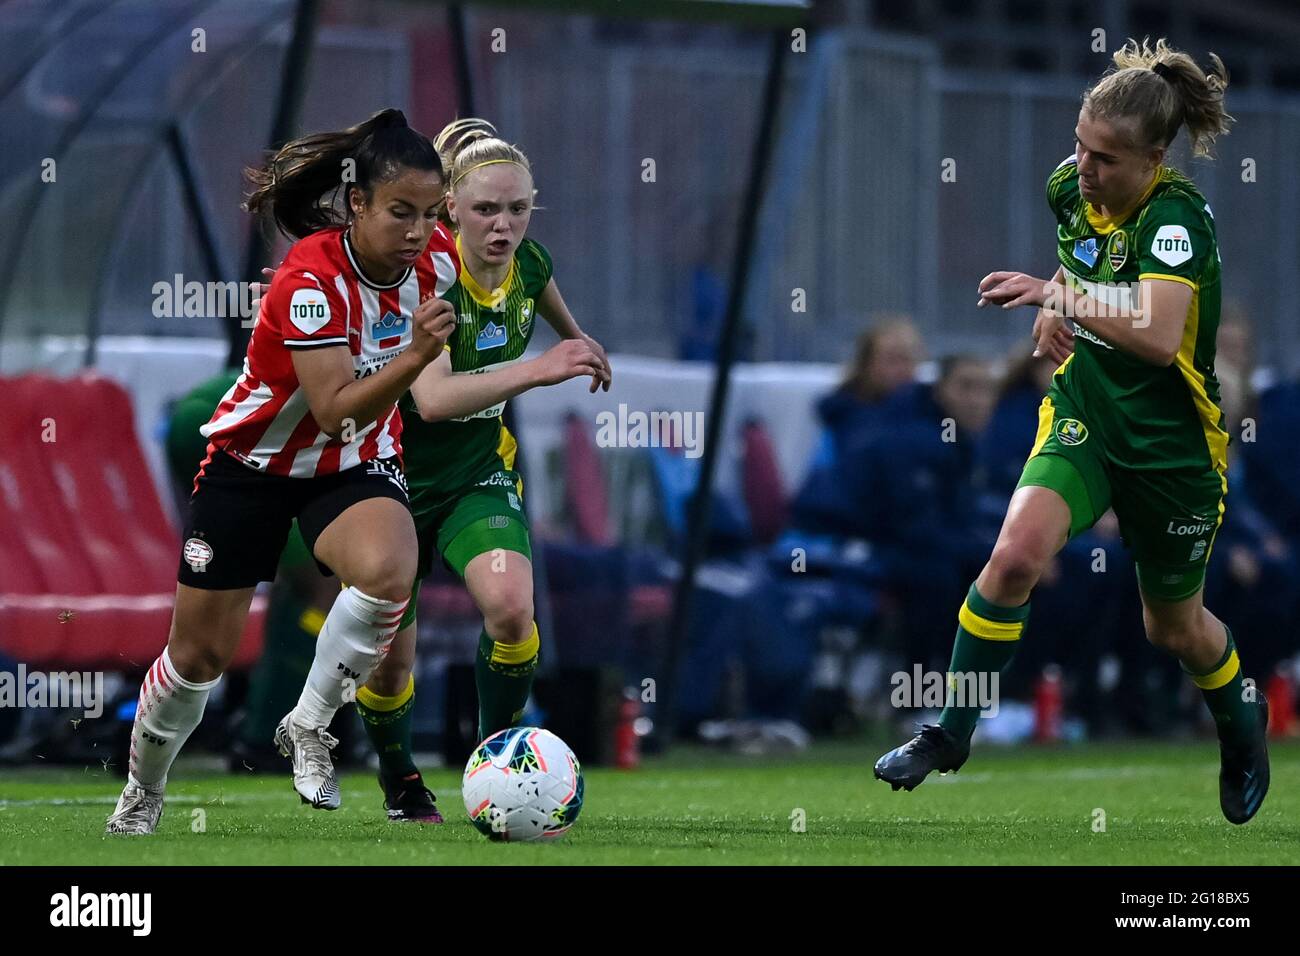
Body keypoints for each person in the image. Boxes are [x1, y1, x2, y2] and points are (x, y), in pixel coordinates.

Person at [874, 39, 1271, 824]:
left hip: (1171, 451)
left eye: (1106, 159)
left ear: (1154, 159)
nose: (1084, 169)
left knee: (1174, 628)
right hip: (1086, 415)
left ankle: (1241, 725)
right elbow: (1088, 275)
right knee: (1015, 555)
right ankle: (950, 731)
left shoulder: (1175, 220)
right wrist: (1058, 304)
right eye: (1080, 147)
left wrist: (1056, 296)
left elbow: (1158, 334)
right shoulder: (1070, 188)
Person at [106, 108, 458, 834]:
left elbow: (503, 257)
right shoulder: (310, 280)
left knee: (392, 569)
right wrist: (417, 357)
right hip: (254, 465)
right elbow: (331, 409)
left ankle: (309, 724)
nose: (419, 231)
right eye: (401, 212)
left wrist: (564, 332)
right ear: (357, 203)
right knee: (199, 656)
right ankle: (143, 789)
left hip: (353, 462)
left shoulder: (438, 258)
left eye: (431, 212)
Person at [351, 118, 611, 821]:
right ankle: (399, 775)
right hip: (388, 480)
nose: (503, 225)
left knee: (509, 608)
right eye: (486, 210)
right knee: (391, 663)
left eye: (518, 209)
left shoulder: (530, 264)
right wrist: (541, 368)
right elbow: (431, 401)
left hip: (476, 478)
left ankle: (499, 753)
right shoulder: (427, 279)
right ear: (452, 212)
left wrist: (582, 345)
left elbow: (551, 302)